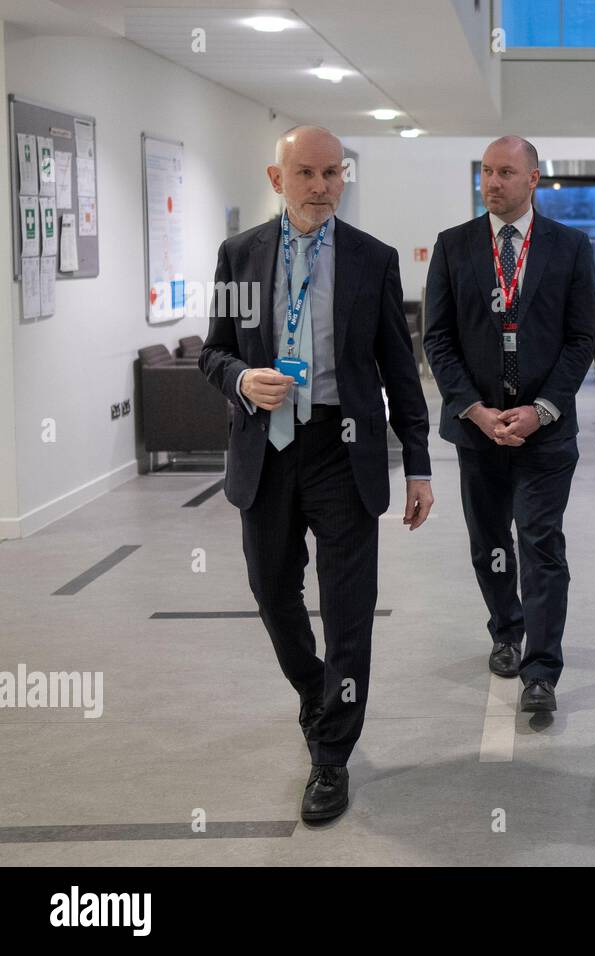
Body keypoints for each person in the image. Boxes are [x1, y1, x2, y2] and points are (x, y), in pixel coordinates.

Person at [199, 125, 433, 822]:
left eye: (334, 173)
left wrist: (418, 463)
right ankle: (315, 689)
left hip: (343, 446)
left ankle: (331, 755)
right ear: (278, 180)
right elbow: (214, 353)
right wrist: (243, 378)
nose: (323, 186)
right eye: (307, 173)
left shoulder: (371, 259)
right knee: (272, 592)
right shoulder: (240, 257)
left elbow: (400, 368)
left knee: (349, 607)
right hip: (266, 450)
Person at [424, 136, 595, 713]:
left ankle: (542, 669)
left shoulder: (570, 248)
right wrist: (474, 408)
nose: (492, 182)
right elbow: (438, 340)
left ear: (534, 180)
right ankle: (506, 629)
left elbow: (581, 340)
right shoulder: (454, 247)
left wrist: (541, 408)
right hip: (478, 429)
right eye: (486, 172)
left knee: (541, 540)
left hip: (546, 430)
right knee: (490, 540)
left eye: (505, 172)